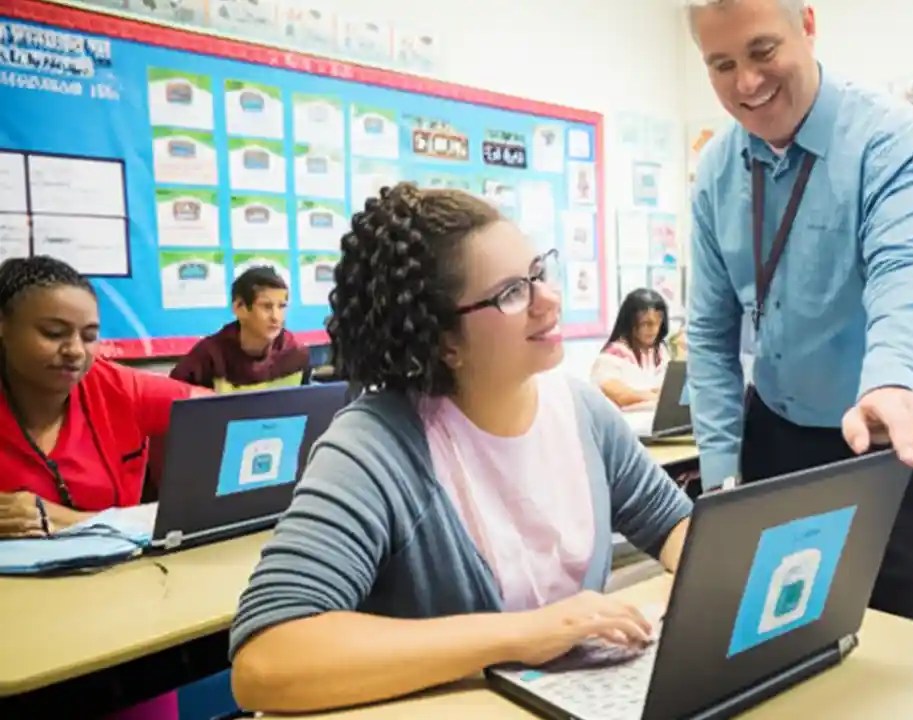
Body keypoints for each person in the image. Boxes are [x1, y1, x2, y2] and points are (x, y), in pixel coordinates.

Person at [228, 184, 692, 714]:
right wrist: (519, 634)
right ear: (444, 340)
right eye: (514, 292)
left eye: (541, 272)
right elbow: (267, 660)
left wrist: (696, 578)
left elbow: (678, 526)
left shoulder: (582, 411)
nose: (550, 300)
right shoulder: (375, 447)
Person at [684, 0, 913, 623]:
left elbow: (911, 272)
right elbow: (708, 332)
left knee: (887, 641)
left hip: (880, 434)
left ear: (807, 25)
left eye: (761, 51)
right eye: (722, 64)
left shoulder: (890, 136)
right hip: (773, 430)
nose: (746, 84)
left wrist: (893, 382)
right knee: (763, 636)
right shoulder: (716, 169)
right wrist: (723, 474)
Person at [0, 256, 207, 537]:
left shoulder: (118, 387)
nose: (75, 350)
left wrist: (67, 520)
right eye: (53, 333)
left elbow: (230, 414)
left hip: (116, 574)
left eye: (89, 336)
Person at [169, 266, 310, 393]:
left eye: (281, 306)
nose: (276, 317)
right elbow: (173, 401)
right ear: (239, 308)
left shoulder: (296, 354)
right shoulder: (210, 356)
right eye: (266, 306)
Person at [591, 288, 671, 408]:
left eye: (658, 323)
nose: (653, 330)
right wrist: (657, 396)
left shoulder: (661, 352)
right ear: (630, 322)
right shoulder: (611, 357)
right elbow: (622, 396)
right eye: (646, 323)